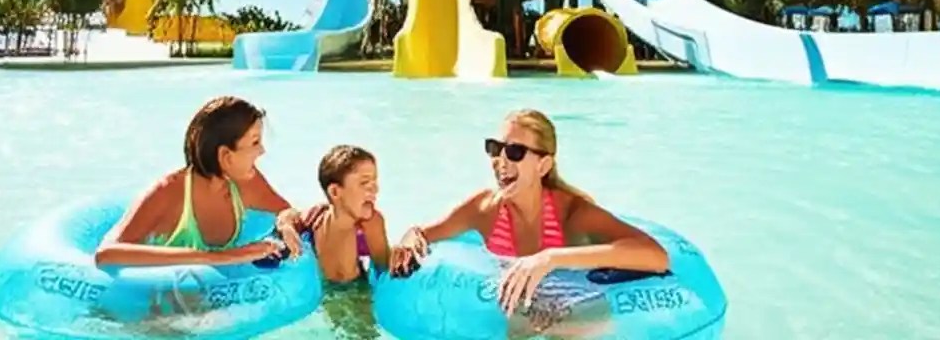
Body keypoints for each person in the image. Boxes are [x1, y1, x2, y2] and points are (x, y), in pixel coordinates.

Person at [388, 109, 669, 318]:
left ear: (543, 165)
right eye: (495, 149)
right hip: (518, 316)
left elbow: (655, 256)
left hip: (579, 310)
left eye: (515, 152)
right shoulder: (485, 209)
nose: (501, 161)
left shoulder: (572, 214)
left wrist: (551, 258)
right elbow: (422, 232)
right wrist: (409, 238)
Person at [94, 95, 304, 268]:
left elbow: (287, 210)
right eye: (255, 142)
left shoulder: (245, 182)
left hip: (203, 300)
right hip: (153, 302)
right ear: (225, 155)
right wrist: (220, 258)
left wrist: (285, 223)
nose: (262, 150)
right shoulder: (169, 192)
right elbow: (106, 254)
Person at [309, 145, 390, 284]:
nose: (375, 189)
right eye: (365, 182)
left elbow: (385, 270)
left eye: (374, 181)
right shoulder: (315, 220)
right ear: (335, 192)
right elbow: (287, 217)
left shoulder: (370, 225)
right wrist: (287, 223)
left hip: (358, 292)